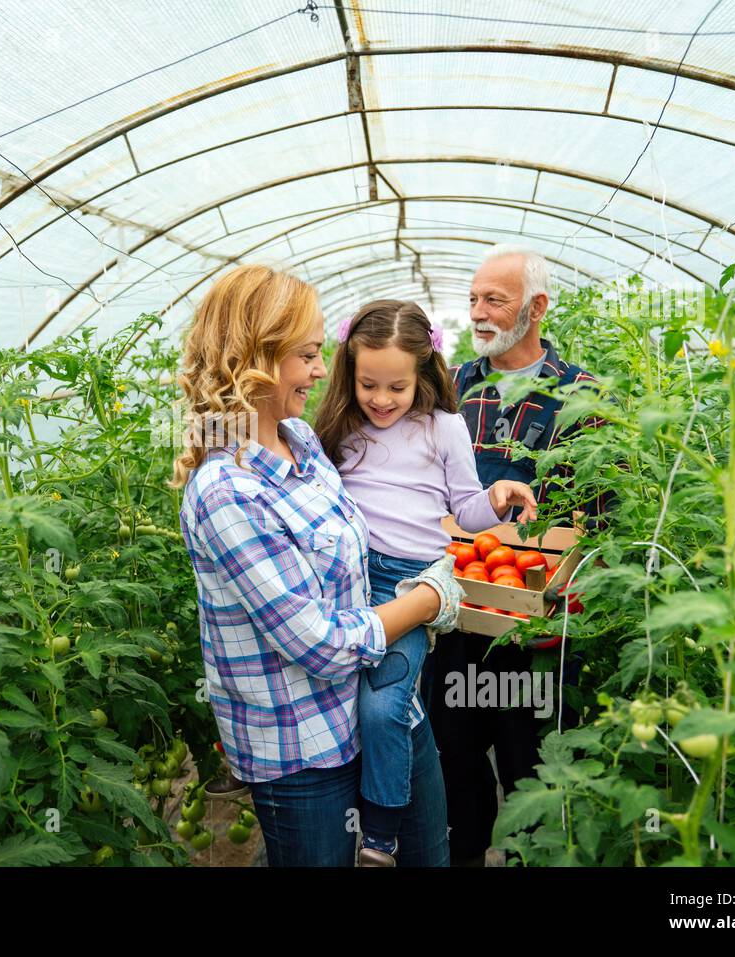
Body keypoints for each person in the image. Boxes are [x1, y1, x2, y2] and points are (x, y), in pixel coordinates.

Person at [173, 264, 466, 867]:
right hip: (306, 748)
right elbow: (319, 643)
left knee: (430, 857)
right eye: (306, 355)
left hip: (385, 709)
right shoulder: (226, 492)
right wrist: (429, 599)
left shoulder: (303, 442)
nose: (318, 370)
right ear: (255, 358)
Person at [312, 298, 539, 866]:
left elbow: (465, 510)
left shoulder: (443, 429)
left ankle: (381, 836)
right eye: (368, 385)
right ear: (349, 373)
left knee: (384, 707)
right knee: (343, 706)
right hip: (346, 580)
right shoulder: (340, 429)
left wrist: (497, 497)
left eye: (397, 387)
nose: (382, 400)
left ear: (423, 375)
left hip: (410, 588)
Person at [420, 243, 603, 866]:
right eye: (473, 299)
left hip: (539, 619)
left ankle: (529, 857)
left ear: (537, 307)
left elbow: (604, 508)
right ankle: (466, 854)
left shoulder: (581, 394)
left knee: (533, 764)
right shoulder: (450, 386)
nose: (479, 313)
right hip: (454, 607)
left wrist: (568, 564)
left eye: (494, 300)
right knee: (455, 754)